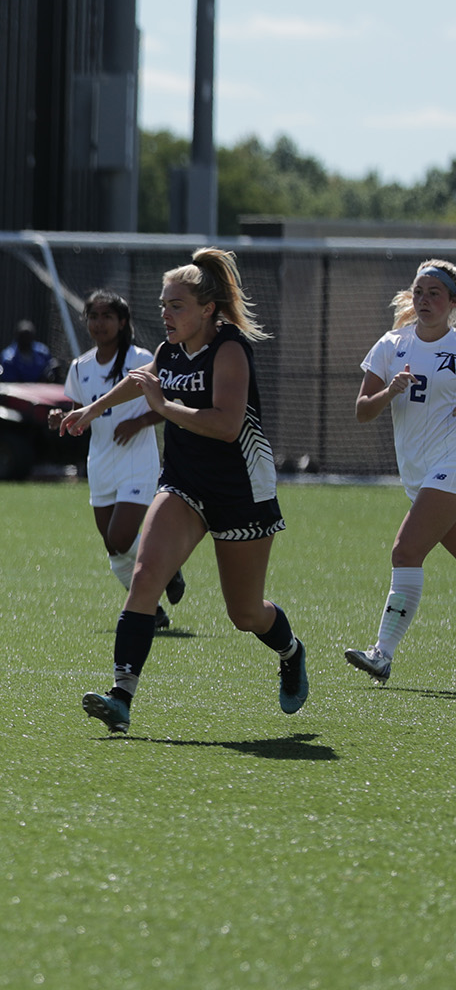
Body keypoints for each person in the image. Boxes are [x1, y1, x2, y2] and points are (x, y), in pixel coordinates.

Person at [59, 247, 307, 733]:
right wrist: (91, 410)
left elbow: (227, 426)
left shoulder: (230, 350)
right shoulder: (170, 350)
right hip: (184, 484)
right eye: (163, 305)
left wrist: (164, 407)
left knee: (244, 613)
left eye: (176, 305)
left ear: (208, 309)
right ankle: (120, 698)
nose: (166, 315)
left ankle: (291, 651)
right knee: (146, 574)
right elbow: (142, 380)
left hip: (241, 490)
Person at [342, 259, 456, 683]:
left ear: (452, 302)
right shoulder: (391, 345)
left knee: (405, 551)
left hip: (450, 465)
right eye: (418, 292)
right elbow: (362, 411)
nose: (424, 300)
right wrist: (390, 391)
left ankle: (382, 654)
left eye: (434, 293)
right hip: (417, 473)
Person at [47, 289, 187, 629]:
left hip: (137, 460)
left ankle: (168, 569)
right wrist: (63, 419)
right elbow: (83, 413)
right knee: (113, 547)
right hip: (101, 462)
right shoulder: (80, 367)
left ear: (122, 322)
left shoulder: (141, 359)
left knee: (122, 536)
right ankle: (153, 611)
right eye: (93, 317)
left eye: (107, 316)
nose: (99, 324)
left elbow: (171, 403)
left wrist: (139, 422)